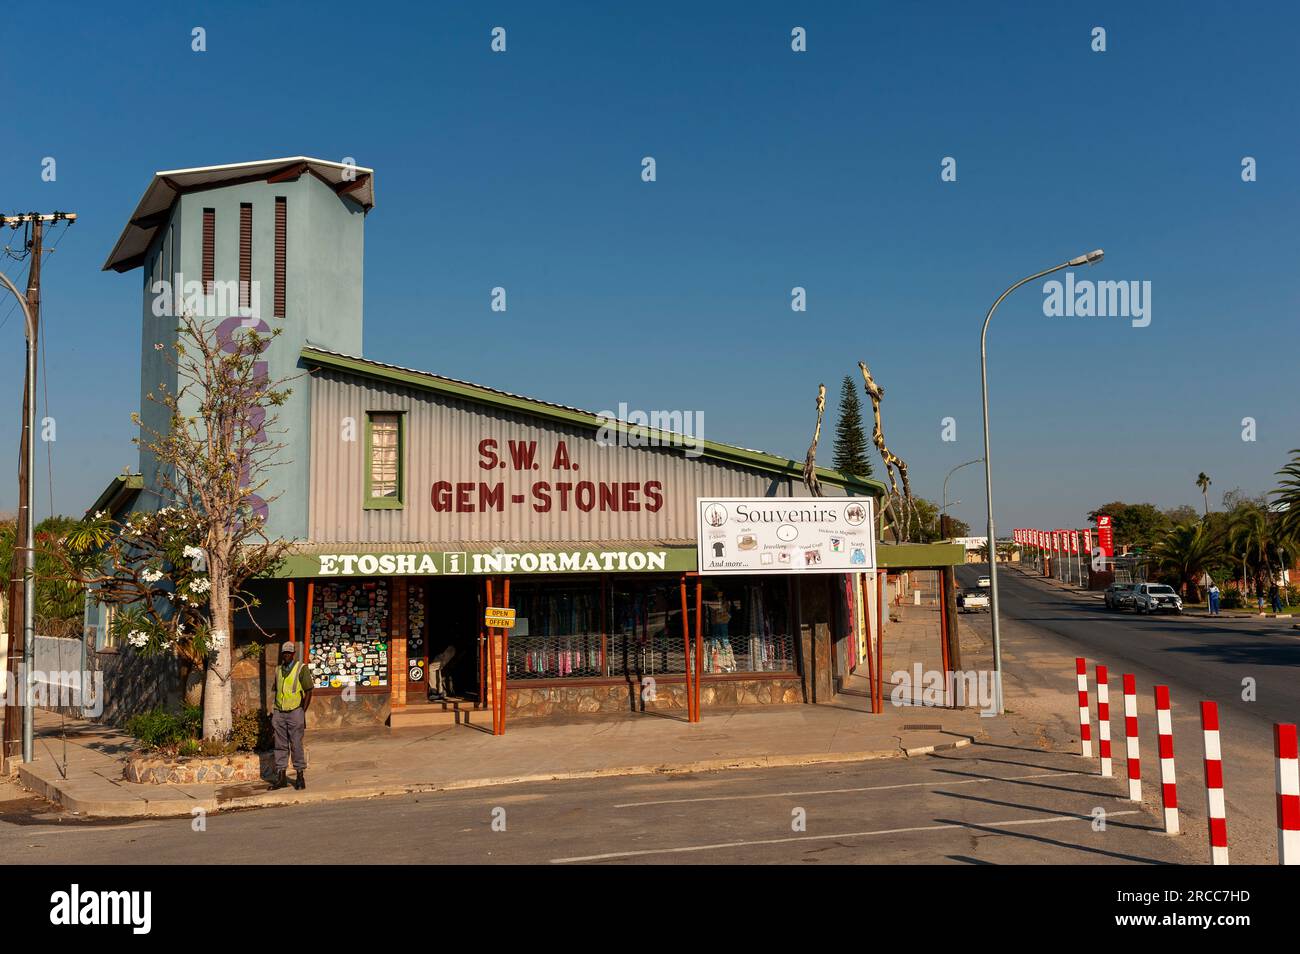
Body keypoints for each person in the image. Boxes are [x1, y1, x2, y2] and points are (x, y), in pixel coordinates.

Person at [270, 641, 313, 791]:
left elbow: (308, 691)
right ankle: (281, 776)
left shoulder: (301, 669)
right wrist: (274, 712)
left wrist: (302, 711)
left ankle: (300, 776)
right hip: (279, 712)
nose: (286, 655)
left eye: (289, 653)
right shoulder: (278, 670)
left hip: (295, 711)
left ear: (293, 654)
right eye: (284, 653)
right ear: (282, 654)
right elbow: (277, 690)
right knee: (280, 745)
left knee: (296, 745)